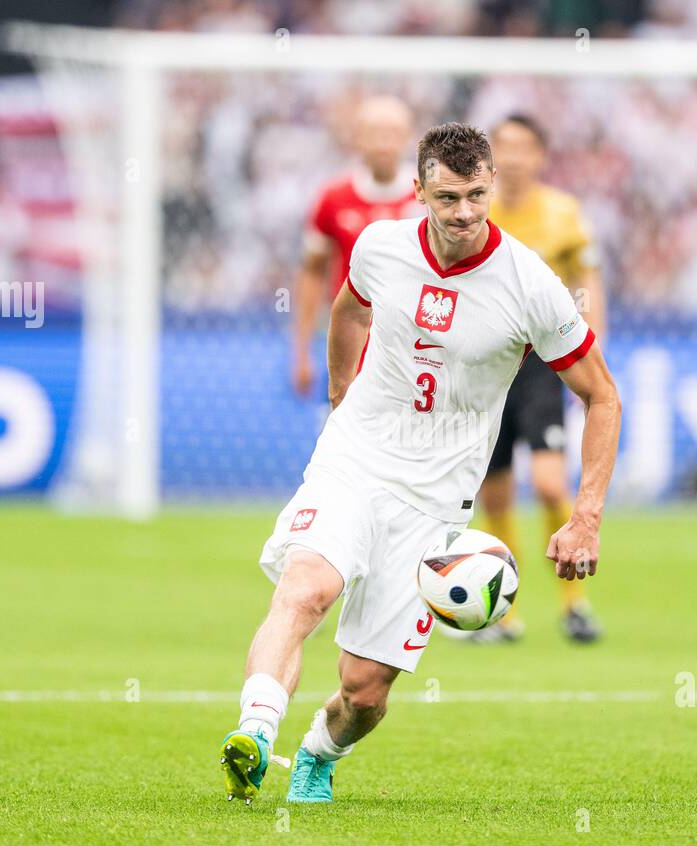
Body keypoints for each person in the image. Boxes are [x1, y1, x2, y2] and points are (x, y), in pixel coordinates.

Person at [222, 123, 622, 804]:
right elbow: (349, 309)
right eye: (446, 197)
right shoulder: (380, 246)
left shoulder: (531, 285)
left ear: (491, 184)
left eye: (475, 194)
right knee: (305, 588)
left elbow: (602, 395)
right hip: (355, 458)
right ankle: (254, 735)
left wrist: (585, 517)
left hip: (435, 501)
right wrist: (340, 395)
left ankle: (318, 751)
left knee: (364, 692)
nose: (463, 212)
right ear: (418, 191)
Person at [475, 114, 607, 644]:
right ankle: (504, 613)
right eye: (502, 146)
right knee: (497, 497)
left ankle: (575, 600)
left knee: (550, 481)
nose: (512, 157)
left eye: (523, 147)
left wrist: (594, 342)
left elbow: (587, 278)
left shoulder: (562, 213)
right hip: (485, 364)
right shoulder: (474, 208)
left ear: (540, 155)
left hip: (541, 362)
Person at [290, 95, 421, 399]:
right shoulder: (333, 199)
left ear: (407, 138)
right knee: (344, 438)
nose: (384, 144)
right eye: (375, 134)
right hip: (352, 343)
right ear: (358, 139)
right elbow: (312, 273)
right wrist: (301, 352)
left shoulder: (431, 198)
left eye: (393, 134)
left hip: (416, 348)